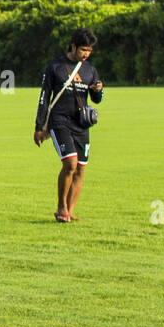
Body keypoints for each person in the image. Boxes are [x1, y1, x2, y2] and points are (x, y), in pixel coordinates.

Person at [33, 28, 104, 222]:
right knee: (70, 163)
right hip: (59, 121)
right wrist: (39, 126)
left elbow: (96, 99)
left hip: (81, 124)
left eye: (89, 51)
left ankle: (69, 212)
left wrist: (98, 90)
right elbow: (44, 98)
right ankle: (61, 208)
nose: (86, 54)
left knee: (80, 168)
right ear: (73, 46)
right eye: (83, 50)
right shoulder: (55, 67)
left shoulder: (90, 70)